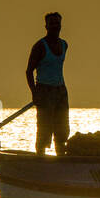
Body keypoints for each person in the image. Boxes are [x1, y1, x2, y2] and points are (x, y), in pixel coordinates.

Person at [26, 12, 70, 155]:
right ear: (46, 26)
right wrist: (35, 93)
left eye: (57, 23)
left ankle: (61, 159)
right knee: (44, 130)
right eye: (52, 24)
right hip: (44, 90)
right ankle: (40, 159)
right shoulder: (40, 46)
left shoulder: (64, 44)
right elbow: (29, 71)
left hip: (61, 90)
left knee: (62, 130)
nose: (55, 26)